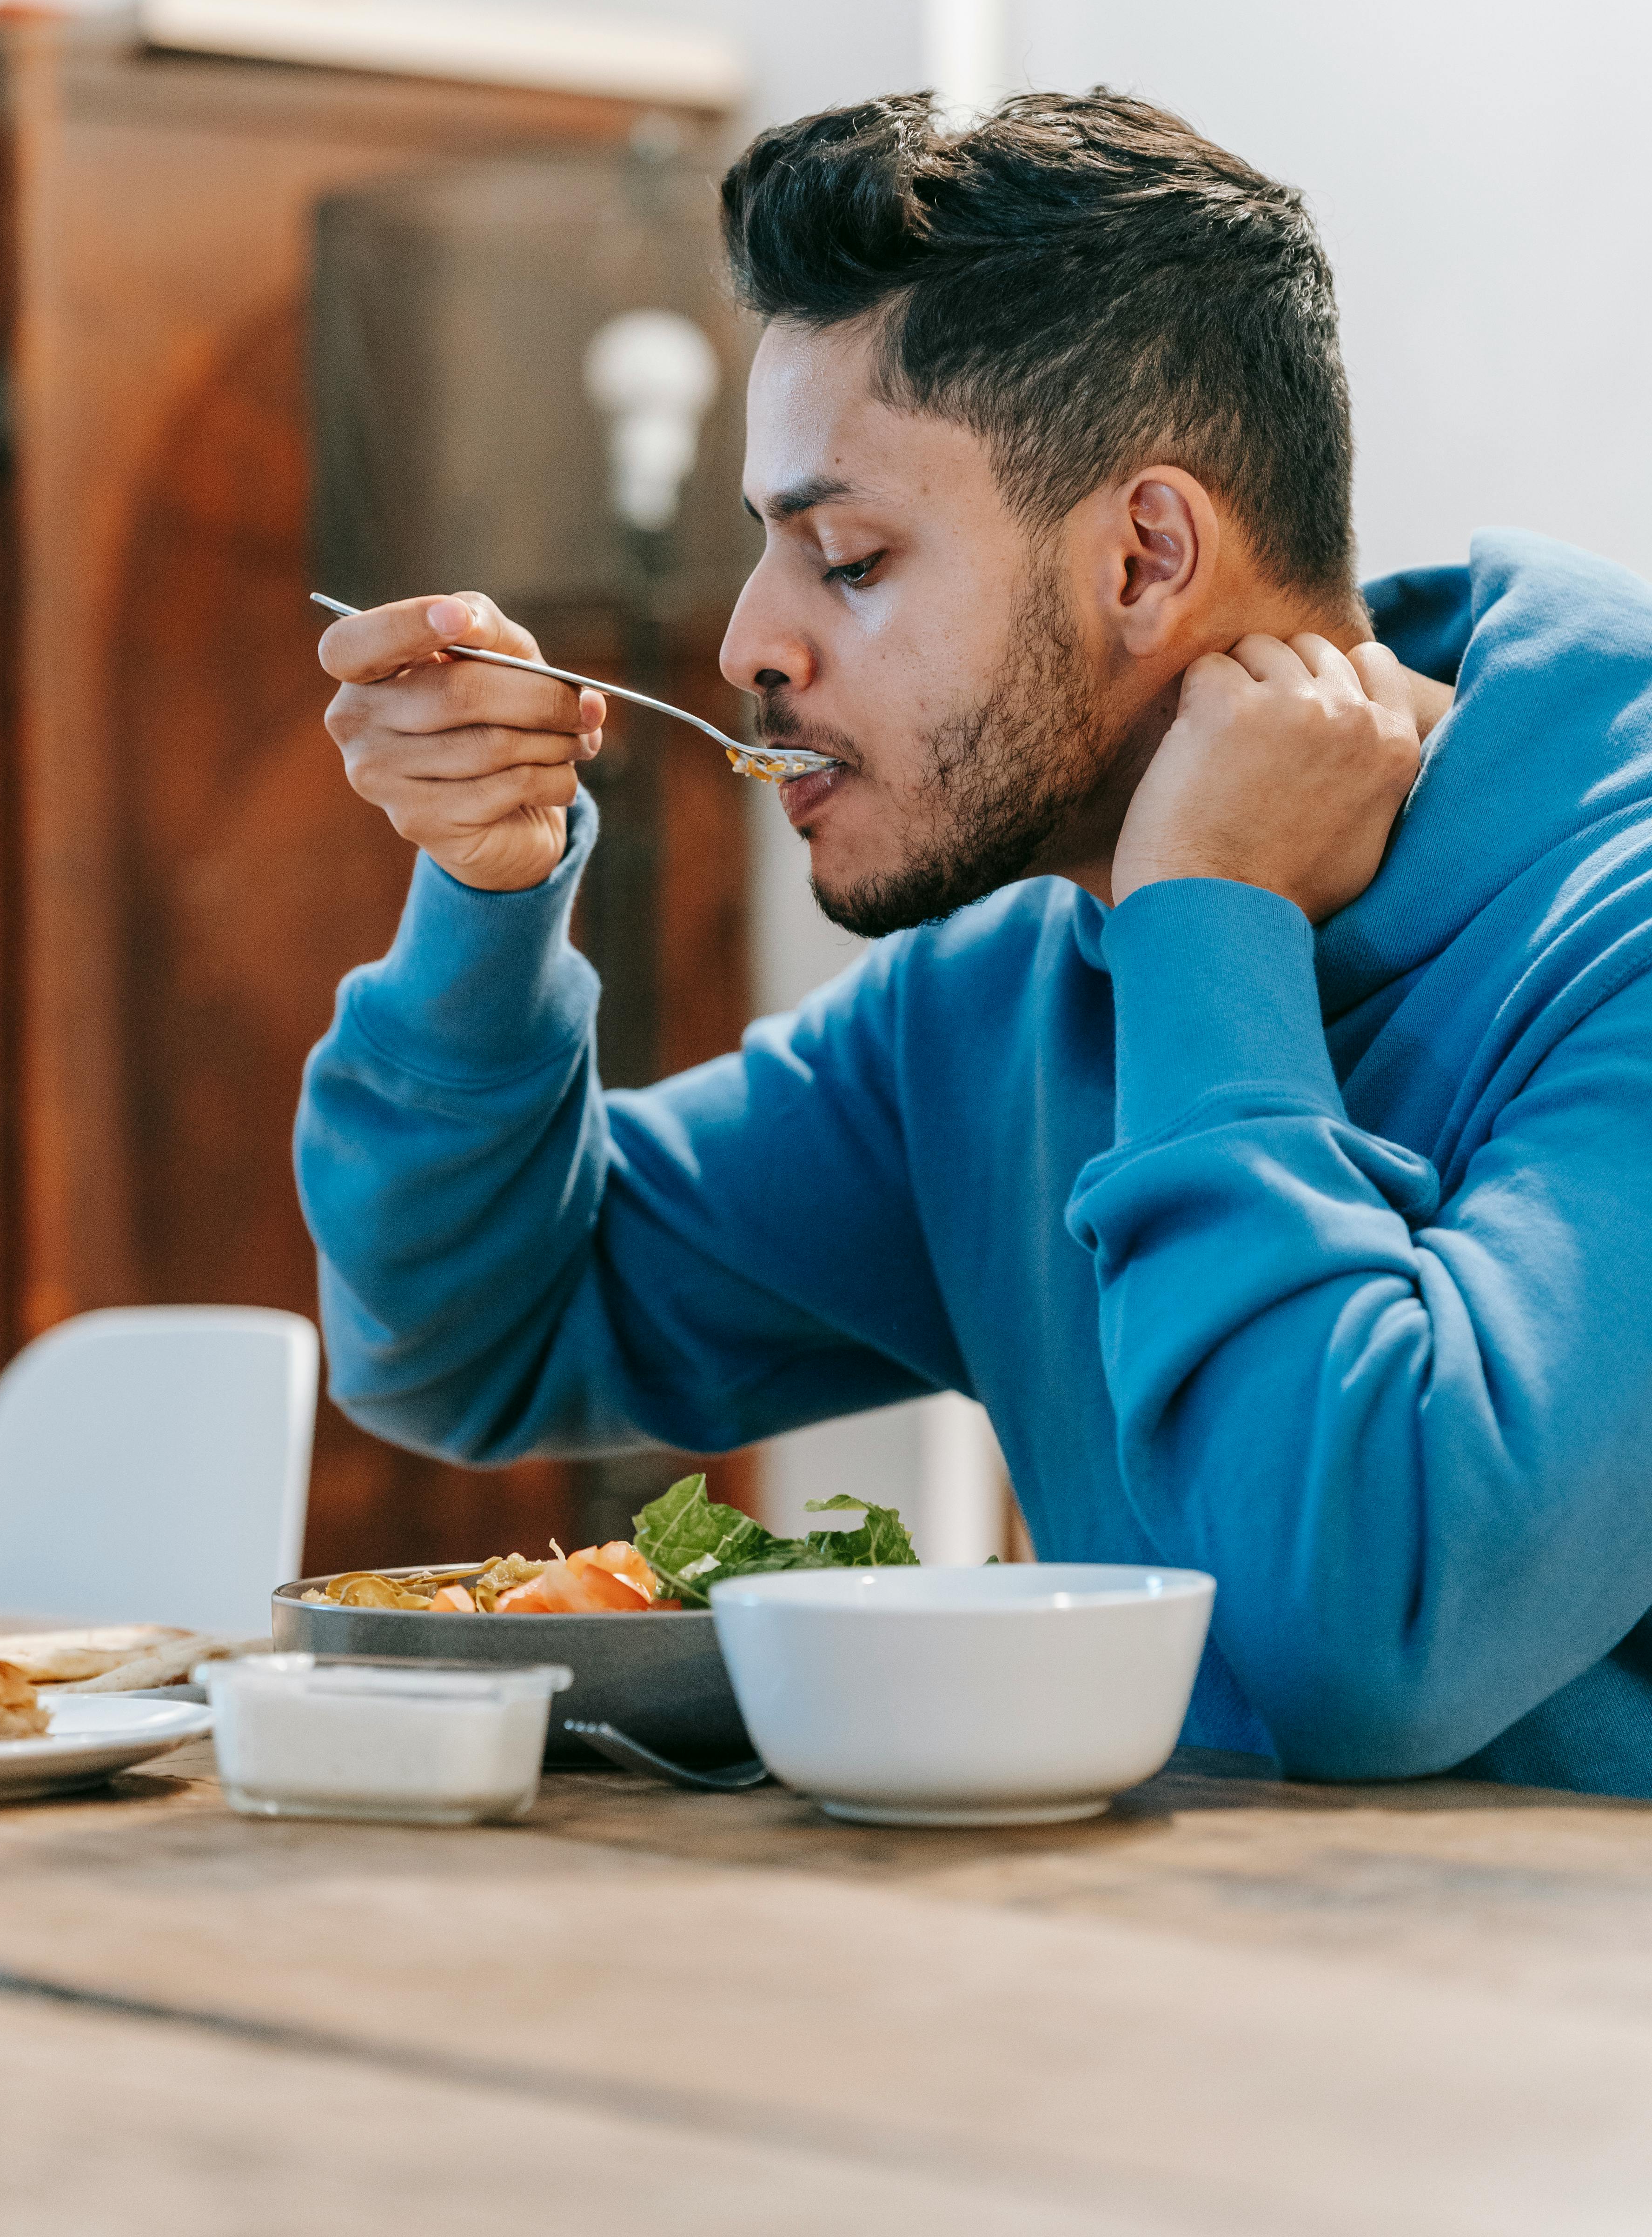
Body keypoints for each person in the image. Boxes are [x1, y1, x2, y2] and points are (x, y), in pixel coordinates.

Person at [296, 89, 1652, 1791]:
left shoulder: (1613, 933)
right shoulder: (998, 1002)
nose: (745, 644)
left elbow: (1369, 1644)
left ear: (1147, 557)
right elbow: (474, 1339)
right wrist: (488, 904)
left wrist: (1209, 928)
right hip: (1143, 2013)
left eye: (848, 557)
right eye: (762, 549)